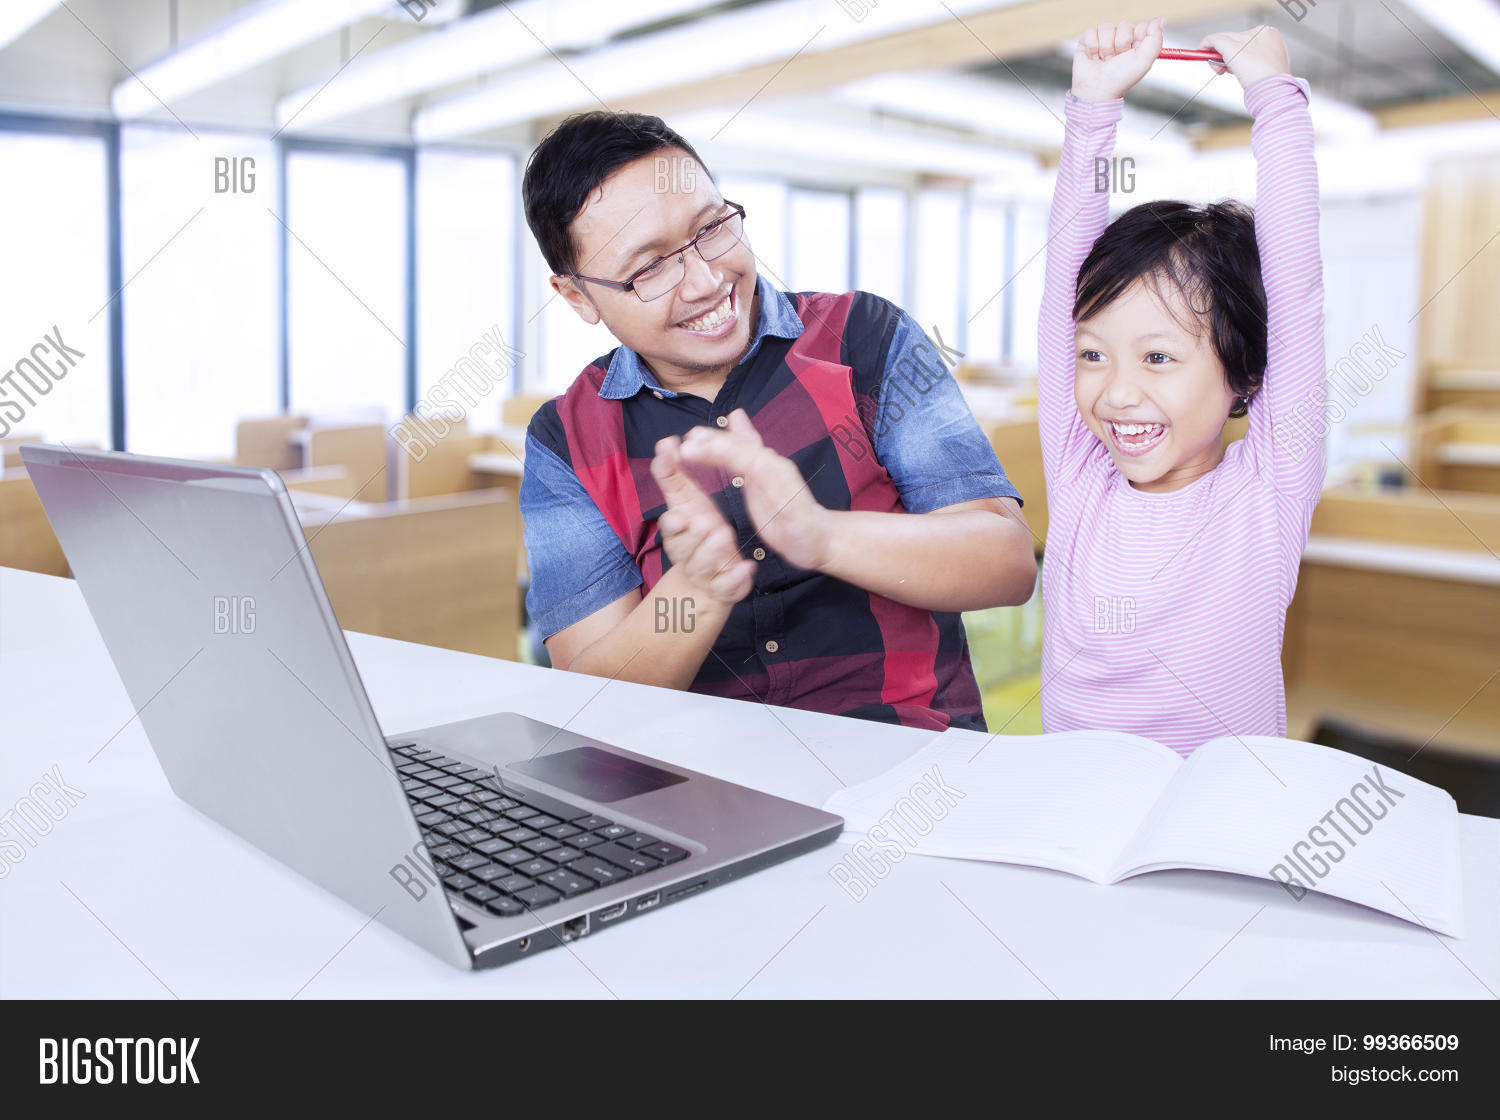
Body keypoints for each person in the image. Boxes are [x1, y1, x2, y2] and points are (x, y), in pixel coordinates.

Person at [519, 111, 1037, 732]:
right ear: (578, 296)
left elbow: (1006, 564)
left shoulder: (865, 340)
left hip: (907, 760)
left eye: (711, 229)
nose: (706, 281)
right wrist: (697, 590)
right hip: (700, 789)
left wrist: (824, 537)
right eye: (650, 267)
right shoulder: (566, 438)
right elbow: (590, 702)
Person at [1038, 18, 1326, 753]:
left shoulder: (1270, 487)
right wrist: (1093, 108)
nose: (1116, 393)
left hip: (1218, 825)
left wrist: (1274, 100)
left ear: (1247, 375)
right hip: (1076, 813)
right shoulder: (1081, 470)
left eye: (1159, 359)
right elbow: (1062, 286)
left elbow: (1295, 294)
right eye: (1094, 356)